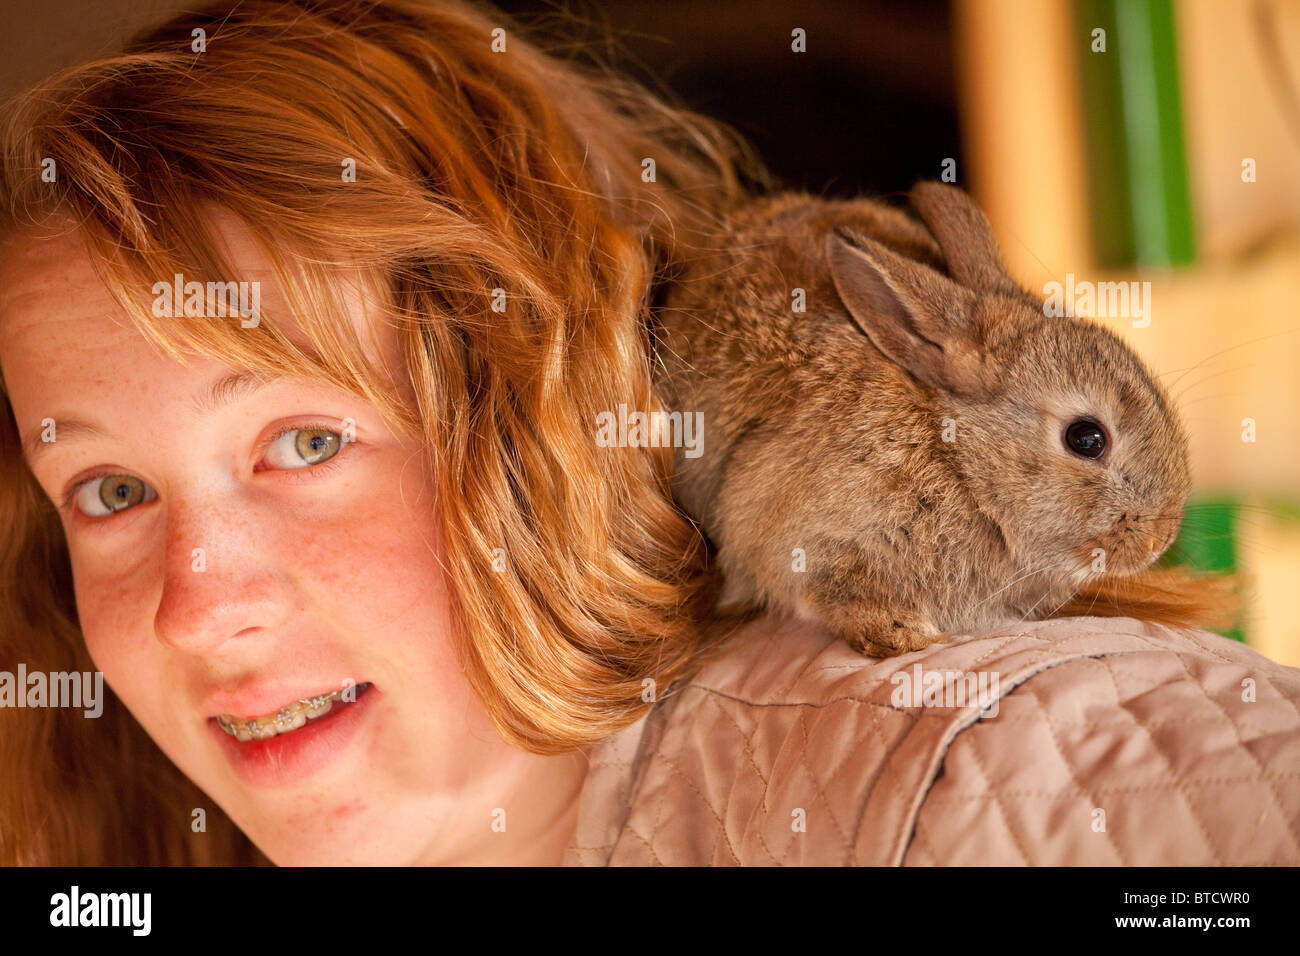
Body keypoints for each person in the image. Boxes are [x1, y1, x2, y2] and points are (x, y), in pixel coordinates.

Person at [2, 0, 1297, 867]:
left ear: (549, 409)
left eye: (302, 444)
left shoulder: (1004, 772)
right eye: (110, 488)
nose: (192, 610)